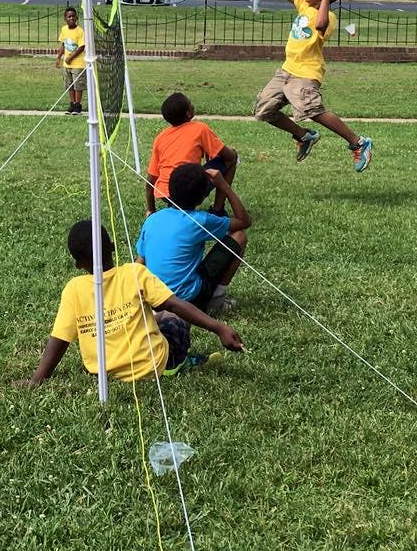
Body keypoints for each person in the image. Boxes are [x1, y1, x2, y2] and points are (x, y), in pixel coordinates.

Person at [17, 220, 244, 388]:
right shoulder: (134, 272)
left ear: (78, 264)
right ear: (113, 247)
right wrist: (219, 327)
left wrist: (37, 379)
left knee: (156, 316)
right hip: (152, 365)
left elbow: (59, 340)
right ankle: (177, 363)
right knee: (174, 317)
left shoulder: (73, 289)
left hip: (104, 372)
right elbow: (175, 305)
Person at [231, 0, 372, 172]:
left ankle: (358, 142)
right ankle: (304, 136)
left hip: (305, 73)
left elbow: (320, 25)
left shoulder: (329, 17)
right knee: (263, 110)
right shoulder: (304, 4)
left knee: (311, 110)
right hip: (286, 70)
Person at [137, 163, 251, 315]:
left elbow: (139, 262)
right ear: (202, 197)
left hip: (155, 299)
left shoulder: (153, 219)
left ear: (169, 191)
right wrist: (223, 185)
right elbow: (244, 221)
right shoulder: (200, 220)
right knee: (239, 236)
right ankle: (216, 300)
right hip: (188, 301)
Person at [146, 92, 238, 217]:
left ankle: (175, 207)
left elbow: (150, 180)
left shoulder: (160, 137)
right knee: (233, 158)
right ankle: (217, 209)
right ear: (188, 113)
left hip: (164, 193)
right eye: (190, 102)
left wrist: (151, 210)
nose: (193, 103)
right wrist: (230, 153)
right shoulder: (200, 129)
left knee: (183, 182)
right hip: (188, 189)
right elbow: (229, 157)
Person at [55, 6, 86, 114]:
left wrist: (70, 57)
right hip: (67, 64)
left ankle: (77, 105)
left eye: (73, 16)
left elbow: (81, 47)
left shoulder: (80, 31)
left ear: (76, 18)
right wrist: (59, 57)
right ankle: (72, 104)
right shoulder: (64, 29)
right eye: (69, 16)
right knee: (69, 85)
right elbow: (63, 45)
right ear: (65, 19)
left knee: (78, 86)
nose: (71, 18)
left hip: (78, 64)